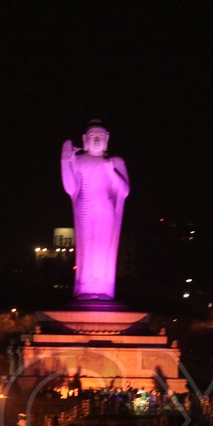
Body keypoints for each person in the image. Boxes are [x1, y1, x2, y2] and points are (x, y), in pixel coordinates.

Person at [60, 120, 130, 301]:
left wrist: (110, 170)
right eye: (92, 137)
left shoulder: (115, 161)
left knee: (102, 248)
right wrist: (65, 161)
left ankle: (103, 288)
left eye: (100, 136)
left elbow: (124, 191)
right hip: (84, 206)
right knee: (87, 247)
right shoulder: (78, 160)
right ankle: (85, 287)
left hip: (105, 209)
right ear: (85, 139)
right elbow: (70, 188)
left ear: (107, 138)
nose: (96, 140)